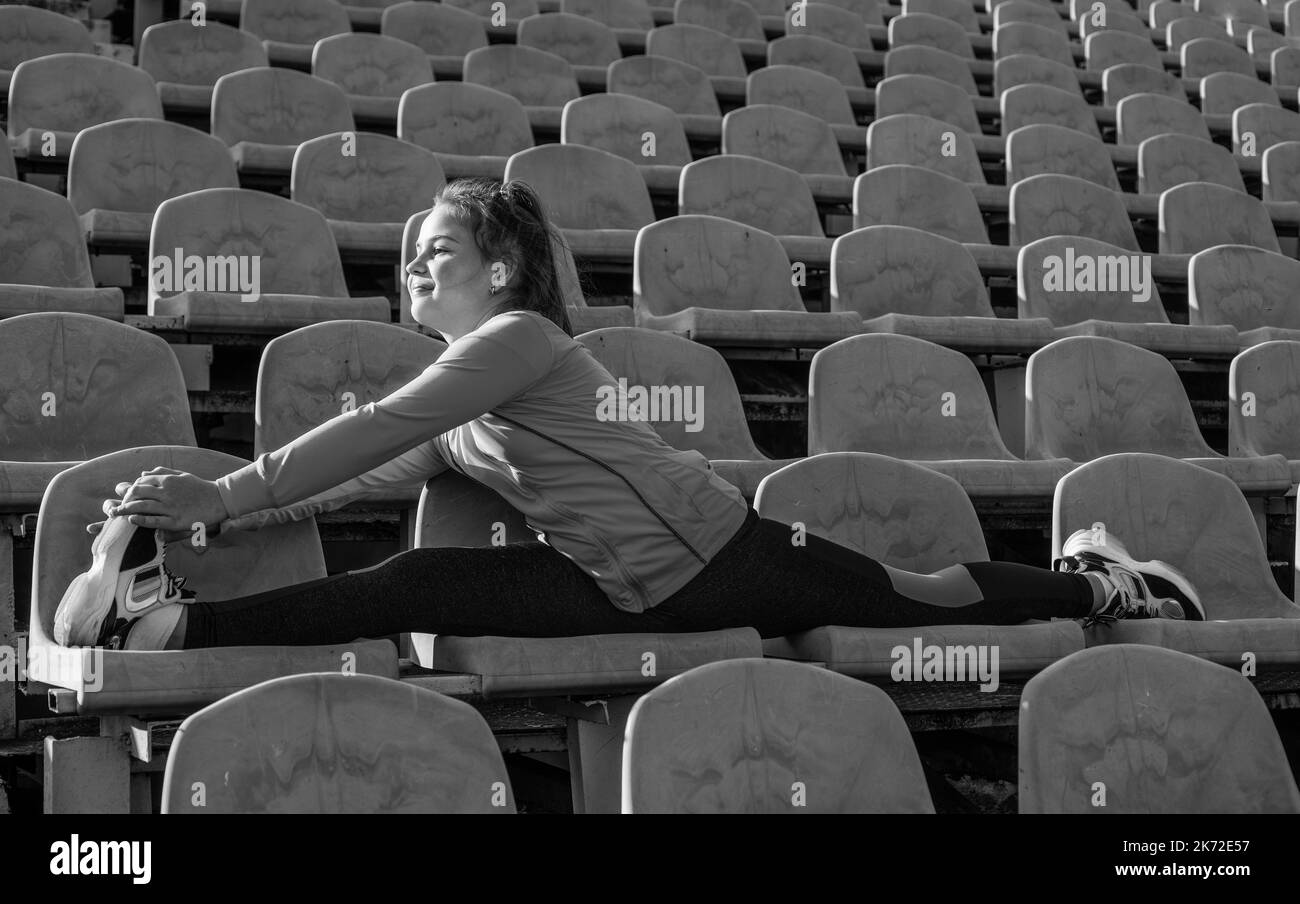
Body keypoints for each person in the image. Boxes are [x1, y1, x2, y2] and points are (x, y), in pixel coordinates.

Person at [53, 179, 1204, 652]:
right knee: (404, 588)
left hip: (721, 552)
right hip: (610, 583)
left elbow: (374, 426)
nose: (411, 270)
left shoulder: (515, 344)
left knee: (919, 601)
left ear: (501, 272)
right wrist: (206, 522)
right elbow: (369, 473)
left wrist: (222, 490)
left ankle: (1102, 580)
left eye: (435, 253)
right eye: (403, 258)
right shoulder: (462, 399)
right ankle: (172, 632)